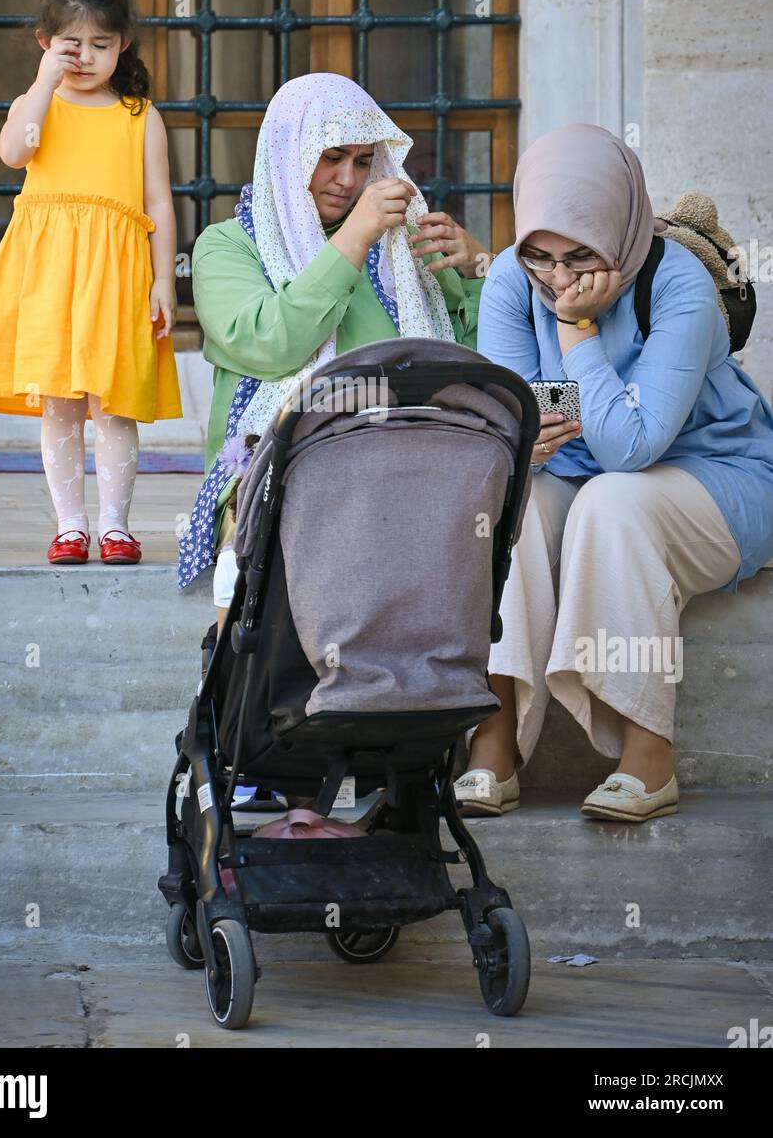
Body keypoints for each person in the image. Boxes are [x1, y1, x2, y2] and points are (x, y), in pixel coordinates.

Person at [457, 123, 773, 822]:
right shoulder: (511, 280)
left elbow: (633, 447)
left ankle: (646, 754)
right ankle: (495, 742)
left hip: (716, 476)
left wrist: (577, 334)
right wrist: (526, 440)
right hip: (582, 467)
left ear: (620, 230)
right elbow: (520, 420)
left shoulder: (679, 286)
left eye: (580, 255)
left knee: (614, 501)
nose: (558, 278)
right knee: (515, 502)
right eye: (539, 254)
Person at [178, 71, 489, 599]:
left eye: (364, 161)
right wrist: (354, 237)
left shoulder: (401, 245)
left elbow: (474, 358)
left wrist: (481, 270)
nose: (349, 178)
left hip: (406, 445)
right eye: (332, 156)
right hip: (277, 455)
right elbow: (270, 344)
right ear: (289, 151)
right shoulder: (226, 247)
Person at [0, 0, 182, 565]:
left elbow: (160, 205)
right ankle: (70, 525)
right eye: (69, 44)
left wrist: (164, 278)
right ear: (45, 42)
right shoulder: (41, 105)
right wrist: (41, 83)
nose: (83, 57)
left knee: (113, 403)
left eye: (99, 44)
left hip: (115, 278)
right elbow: (11, 152)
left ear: (123, 45)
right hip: (53, 277)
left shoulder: (141, 118)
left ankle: (115, 525)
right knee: (60, 402)